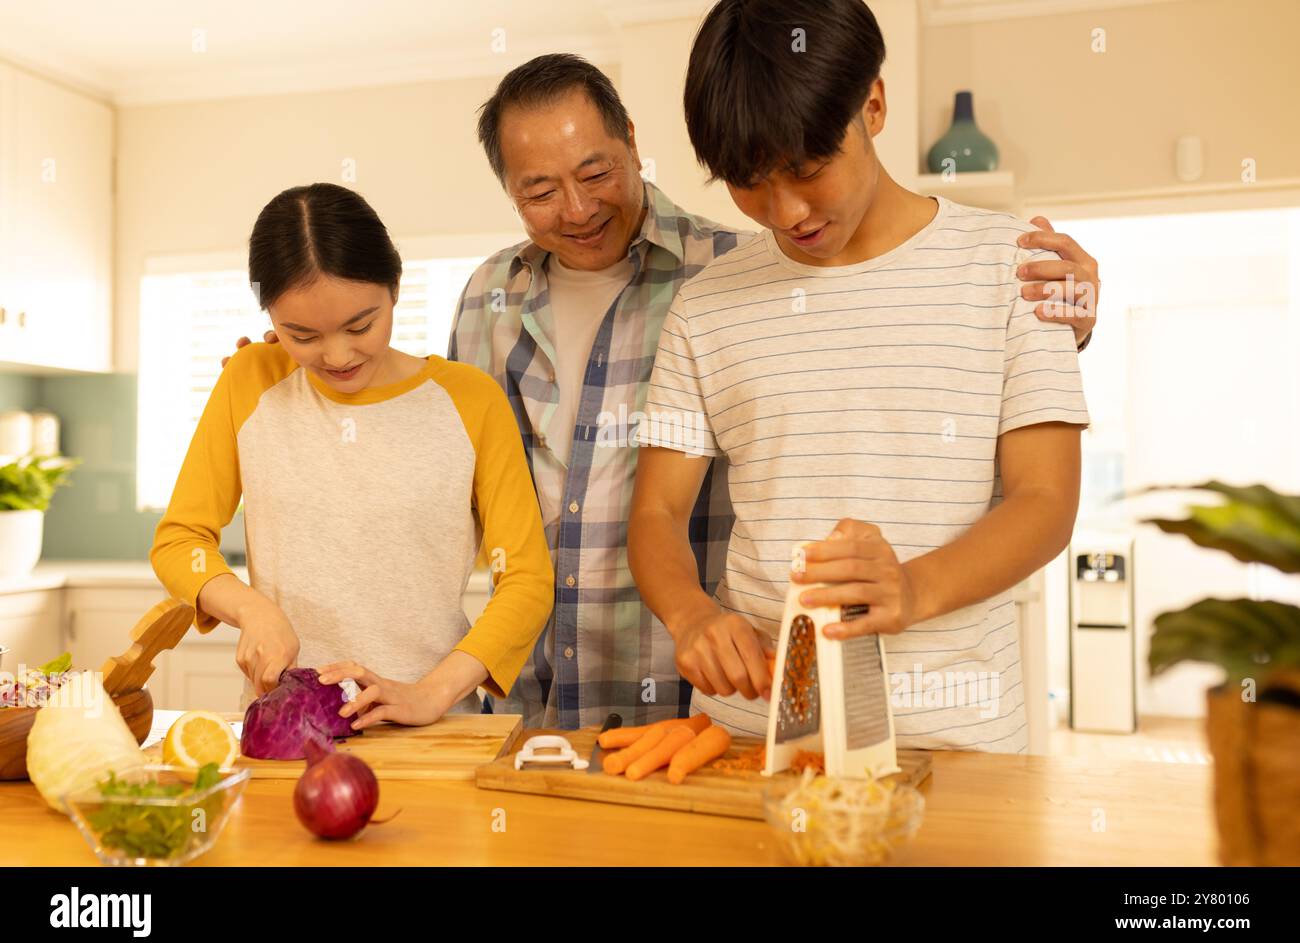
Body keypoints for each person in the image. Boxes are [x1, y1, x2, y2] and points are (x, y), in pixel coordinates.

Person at [228, 53, 1102, 731]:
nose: (576, 207)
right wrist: (314, 358)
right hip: (512, 684)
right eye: (539, 189)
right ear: (507, 190)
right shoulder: (487, 298)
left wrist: (1060, 326)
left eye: (597, 171)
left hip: (692, 682)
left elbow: (872, 371)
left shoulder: (734, 270)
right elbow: (441, 454)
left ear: (635, 141)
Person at [627, 0, 1090, 753]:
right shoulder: (704, 305)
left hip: (956, 738)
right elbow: (656, 513)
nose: (785, 211)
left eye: (807, 170)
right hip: (755, 741)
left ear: (872, 104)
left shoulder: (1016, 267)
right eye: (748, 183)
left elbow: (1046, 501)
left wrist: (912, 589)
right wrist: (690, 613)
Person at [153, 183, 553, 729]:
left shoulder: (470, 400)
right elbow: (181, 541)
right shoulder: (249, 382)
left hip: (430, 729)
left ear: (394, 287)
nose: (338, 356)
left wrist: (429, 694)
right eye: (302, 334)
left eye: (360, 325)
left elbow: (527, 579)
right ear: (268, 313)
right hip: (284, 731)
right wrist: (250, 609)